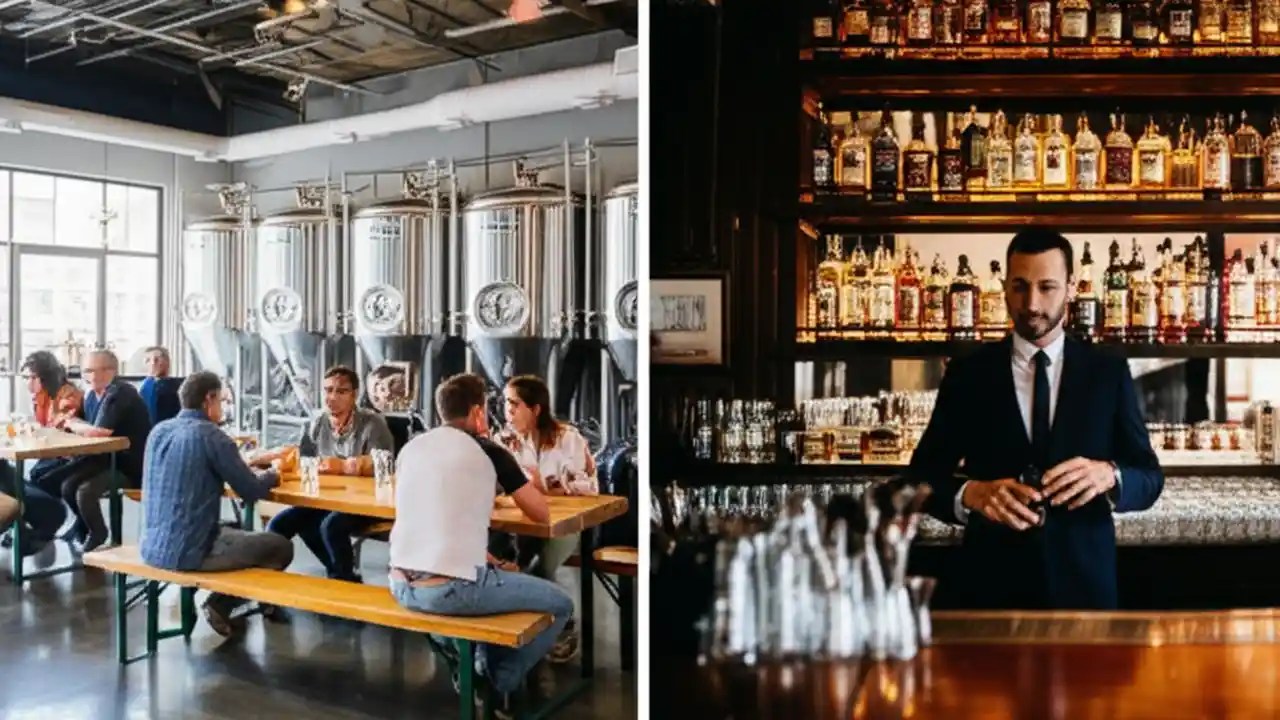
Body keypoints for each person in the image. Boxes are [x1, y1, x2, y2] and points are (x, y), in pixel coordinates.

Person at [907, 228, 1164, 610]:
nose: (1032, 303)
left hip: (1084, 588)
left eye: (1047, 287)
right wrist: (970, 494)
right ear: (1004, 286)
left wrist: (1109, 475)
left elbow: (1149, 476)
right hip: (990, 589)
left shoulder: (1106, 371)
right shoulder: (968, 373)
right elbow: (920, 478)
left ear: (1071, 287)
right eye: (1020, 287)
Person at [389, 373, 570, 708]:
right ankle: (497, 679)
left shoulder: (412, 447)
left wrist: (486, 557)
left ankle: (470, 666)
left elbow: (433, 519)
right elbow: (541, 513)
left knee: (501, 574)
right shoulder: (488, 450)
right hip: (450, 590)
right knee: (561, 604)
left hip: (399, 584)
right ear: (477, 412)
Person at [140, 371, 292, 637]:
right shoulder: (212, 436)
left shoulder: (159, 431)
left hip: (151, 545)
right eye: (221, 400)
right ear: (208, 399)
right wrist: (275, 474)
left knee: (236, 532)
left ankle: (254, 604)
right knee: (280, 547)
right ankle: (220, 603)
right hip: (190, 551)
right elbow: (250, 491)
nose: (223, 407)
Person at [494, 374, 598, 663]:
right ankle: (515, 634)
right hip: (520, 523)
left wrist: (547, 485)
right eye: (505, 404)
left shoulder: (568, 438)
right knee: (500, 562)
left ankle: (562, 627)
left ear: (536, 409)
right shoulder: (503, 440)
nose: (507, 412)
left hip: (567, 523)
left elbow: (589, 485)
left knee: (541, 567)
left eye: (514, 405)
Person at [259, 366, 394, 582]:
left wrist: (342, 466)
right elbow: (303, 458)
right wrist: (267, 460)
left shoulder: (373, 424)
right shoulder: (319, 422)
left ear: (355, 395)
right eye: (328, 390)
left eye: (341, 391)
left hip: (366, 503)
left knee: (331, 526)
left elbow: (383, 466)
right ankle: (268, 588)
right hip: (329, 498)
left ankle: (342, 580)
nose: (332, 397)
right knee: (279, 525)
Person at [45, 349, 152, 552]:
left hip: (130, 466)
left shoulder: (121, 392)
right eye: (88, 371)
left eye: (101, 370)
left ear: (113, 371)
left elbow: (99, 432)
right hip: (104, 459)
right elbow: (82, 427)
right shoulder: (90, 396)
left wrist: (71, 422)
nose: (94, 376)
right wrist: (73, 422)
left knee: (85, 492)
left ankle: (98, 532)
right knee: (66, 486)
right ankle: (85, 525)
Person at [0, 352, 83, 553]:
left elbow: (62, 425)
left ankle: (37, 527)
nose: (28, 383)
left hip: (72, 456)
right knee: (22, 477)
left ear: (47, 376)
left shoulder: (67, 394)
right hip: (51, 454)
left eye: (32, 377)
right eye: (26, 377)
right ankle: (26, 527)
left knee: (33, 477)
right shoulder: (39, 397)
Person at [139, 346, 183, 425]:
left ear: (167, 362)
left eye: (157, 359)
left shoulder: (178, 387)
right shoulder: (141, 387)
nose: (153, 363)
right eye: (148, 360)